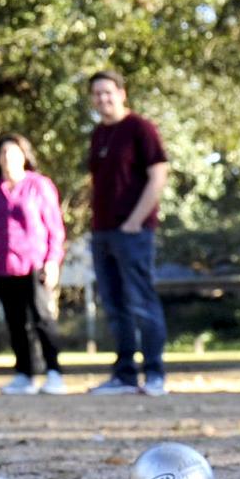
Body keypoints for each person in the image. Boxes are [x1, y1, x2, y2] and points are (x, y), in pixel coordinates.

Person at [85, 70, 170, 397]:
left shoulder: (140, 128)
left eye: (108, 92)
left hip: (133, 232)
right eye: (96, 94)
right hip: (102, 232)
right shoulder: (98, 134)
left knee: (141, 302)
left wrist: (135, 220)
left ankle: (154, 373)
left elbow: (158, 175)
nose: (102, 99)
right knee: (114, 304)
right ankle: (123, 375)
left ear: (122, 93)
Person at [0, 132, 67, 396]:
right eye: (3, 153)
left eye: (13, 152)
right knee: (15, 322)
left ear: (24, 155)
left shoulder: (39, 186)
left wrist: (52, 261)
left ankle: (53, 372)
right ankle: (24, 374)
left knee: (42, 317)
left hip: (34, 263)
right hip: (4, 266)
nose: (8, 158)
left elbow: (54, 227)